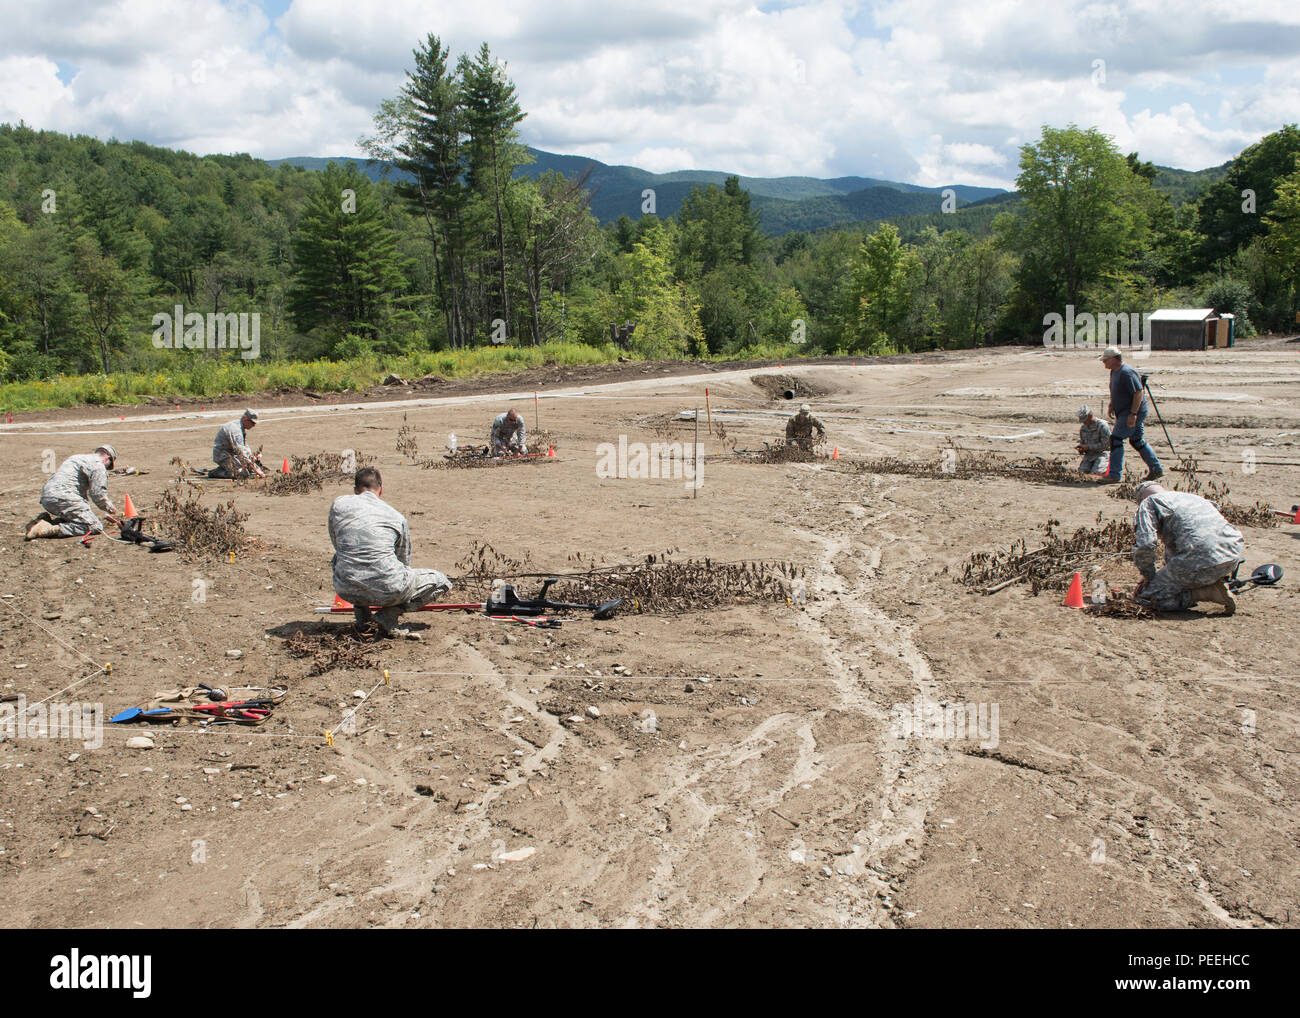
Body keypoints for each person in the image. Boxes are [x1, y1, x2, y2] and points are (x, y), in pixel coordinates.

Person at [328, 466, 452, 637]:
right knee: (442, 581)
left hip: (345, 588)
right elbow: (403, 561)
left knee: (341, 556)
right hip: (389, 588)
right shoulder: (396, 517)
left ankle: (362, 618)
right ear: (381, 489)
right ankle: (387, 616)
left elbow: (336, 542)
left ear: (356, 490)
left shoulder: (339, 505)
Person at [1131, 481, 1243, 614]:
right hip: (1233, 555)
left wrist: (1149, 576)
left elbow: (1145, 545)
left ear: (1141, 498)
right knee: (1178, 579)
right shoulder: (1194, 498)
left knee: (1144, 600)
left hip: (1200, 560)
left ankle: (1204, 593)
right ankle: (1210, 583)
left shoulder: (1149, 502)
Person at [1098, 347, 1162, 484]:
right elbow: (1115, 390)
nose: (1104, 363)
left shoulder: (1126, 373)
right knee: (1136, 440)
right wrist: (1112, 404)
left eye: (1106, 360)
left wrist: (1133, 414)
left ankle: (1114, 474)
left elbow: (1138, 393)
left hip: (1133, 411)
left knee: (1115, 439)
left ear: (1114, 359)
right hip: (1125, 411)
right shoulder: (1114, 372)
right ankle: (1156, 468)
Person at [26, 446, 118, 539]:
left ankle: (43, 521)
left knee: (75, 517)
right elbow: (98, 494)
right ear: (108, 458)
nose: (106, 468)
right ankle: (45, 530)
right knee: (95, 526)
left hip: (47, 497)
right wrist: (109, 508)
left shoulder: (76, 458)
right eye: (108, 466)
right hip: (63, 497)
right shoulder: (99, 466)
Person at [210, 409, 264, 478]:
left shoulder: (241, 428)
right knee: (241, 474)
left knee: (250, 470)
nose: (254, 425)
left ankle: (227, 468)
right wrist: (256, 469)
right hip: (222, 454)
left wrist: (251, 456)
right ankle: (218, 472)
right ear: (245, 419)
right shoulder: (235, 430)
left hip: (232, 454)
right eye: (252, 423)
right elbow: (240, 451)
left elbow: (244, 446)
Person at [1075, 405, 1111, 474]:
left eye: (1085, 420)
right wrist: (1081, 448)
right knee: (1081, 473)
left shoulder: (1102, 426)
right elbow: (1083, 442)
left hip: (1102, 454)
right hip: (1089, 455)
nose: (1084, 422)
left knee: (1096, 472)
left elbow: (1106, 444)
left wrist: (1088, 447)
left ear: (1090, 415)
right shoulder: (1083, 428)